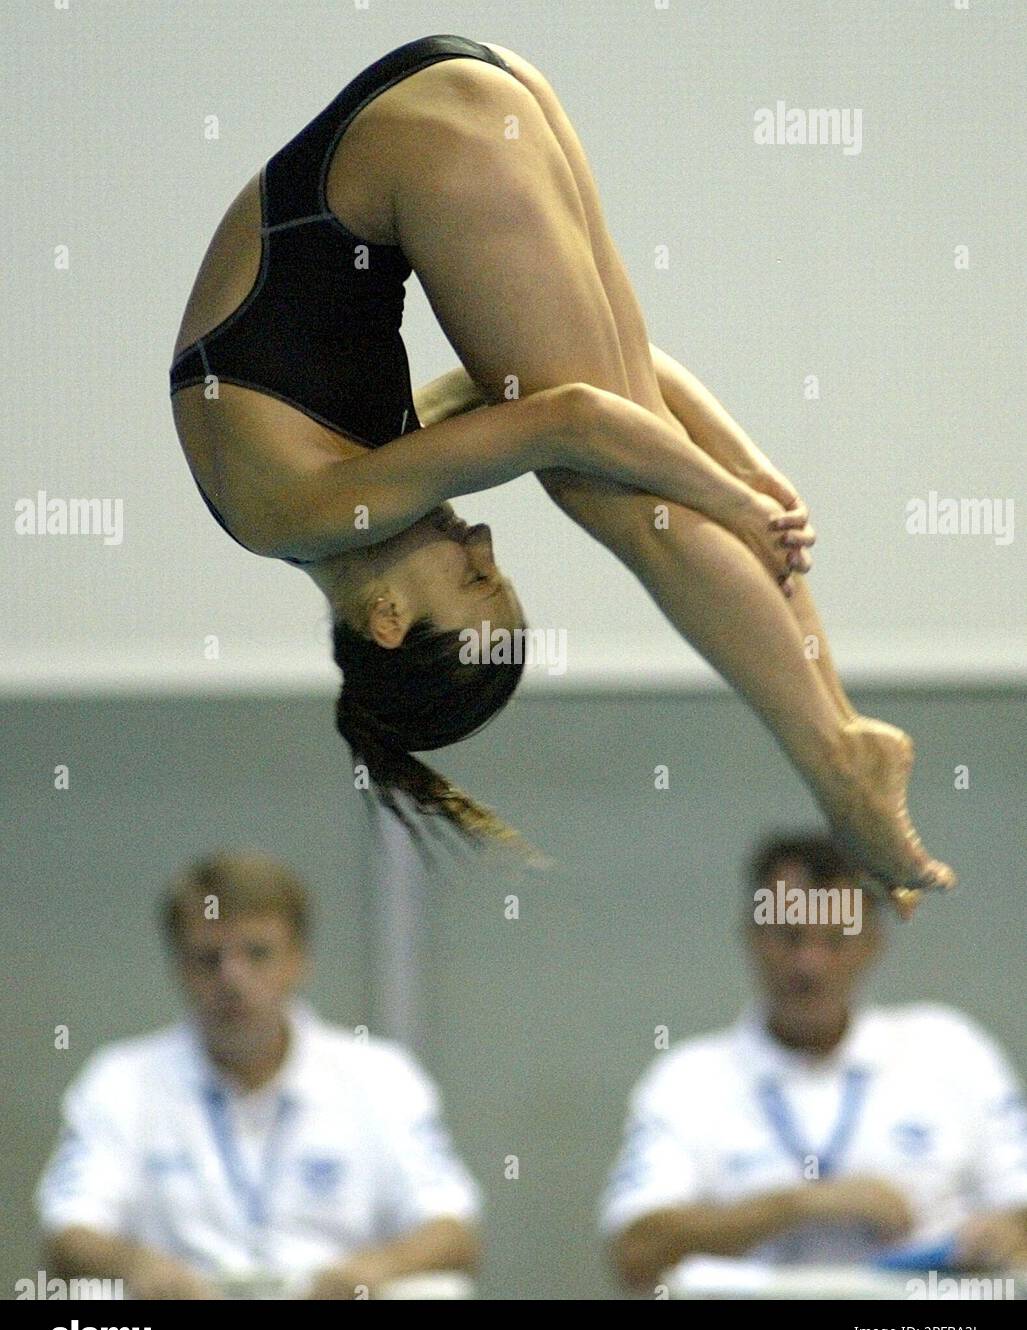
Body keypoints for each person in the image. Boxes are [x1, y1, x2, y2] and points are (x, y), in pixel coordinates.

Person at [169, 33, 954, 909]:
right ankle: (841, 727)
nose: (481, 540)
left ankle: (837, 762)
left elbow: (573, 419)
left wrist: (731, 500)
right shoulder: (345, 483)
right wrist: (751, 478)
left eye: (473, 578)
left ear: (386, 619)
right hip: (477, 92)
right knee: (632, 455)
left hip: (443, 140)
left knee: (600, 486)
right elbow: (623, 386)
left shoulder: (297, 510)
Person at [36, 853, 481, 1299]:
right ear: (180, 967)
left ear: (298, 960)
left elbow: (454, 1230)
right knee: (84, 1295)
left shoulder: (381, 1076)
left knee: (432, 1291)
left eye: (257, 953)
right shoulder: (119, 1080)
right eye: (209, 958)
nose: (232, 978)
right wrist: (137, 1265)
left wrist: (372, 1269)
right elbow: (66, 1232)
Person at [601, 834, 1027, 1292]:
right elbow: (635, 1254)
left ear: (873, 942)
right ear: (752, 937)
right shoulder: (688, 1079)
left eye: (835, 938)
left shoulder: (951, 1050)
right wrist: (803, 1204)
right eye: (790, 935)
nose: (810, 964)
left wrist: (1006, 1233)